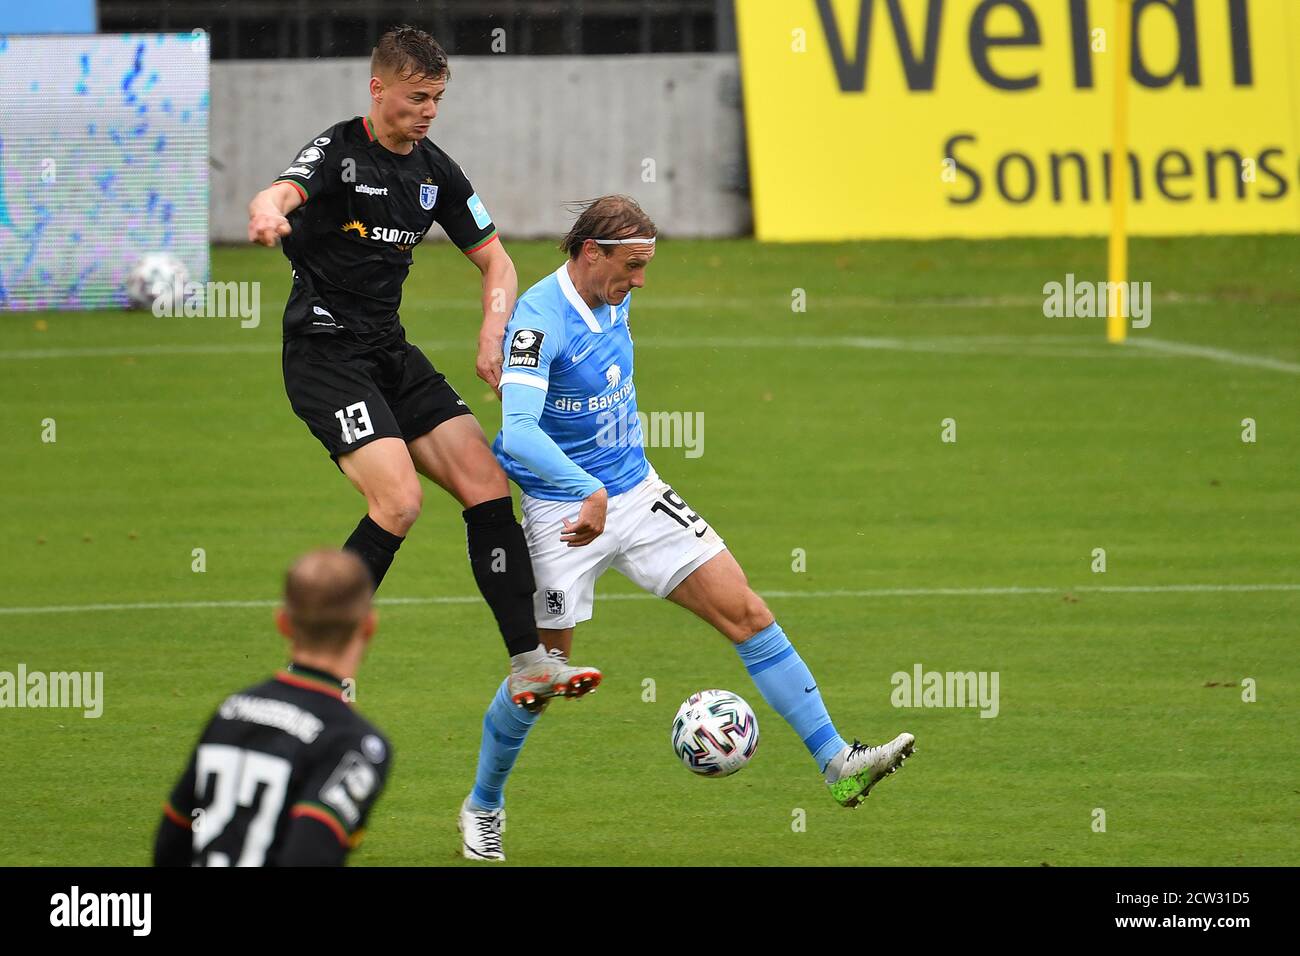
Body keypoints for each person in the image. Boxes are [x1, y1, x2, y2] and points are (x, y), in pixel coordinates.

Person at [456, 195, 916, 862]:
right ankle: (484, 805)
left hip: (639, 495)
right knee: (539, 680)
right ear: (591, 253)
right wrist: (584, 488)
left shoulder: (616, 294)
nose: (641, 281)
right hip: (566, 517)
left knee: (749, 615)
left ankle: (836, 763)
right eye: (633, 265)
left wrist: (609, 486)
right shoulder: (538, 322)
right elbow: (518, 435)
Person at [245, 25, 598, 707]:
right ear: (378, 90)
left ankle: (529, 661)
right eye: (416, 97)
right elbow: (282, 190)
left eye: (437, 97)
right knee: (399, 502)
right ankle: (321, 668)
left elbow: (497, 259)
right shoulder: (338, 151)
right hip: (324, 356)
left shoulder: (435, 171)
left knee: (487, 484)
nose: (429, 110)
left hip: (388, 351)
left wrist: (494, 327)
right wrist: (266, 214)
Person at [154, 550, 388, 866]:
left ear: (283, 623)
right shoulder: (356, 744)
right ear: (369, 626)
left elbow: (171, 842)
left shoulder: (231, 712)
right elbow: (309, 855)